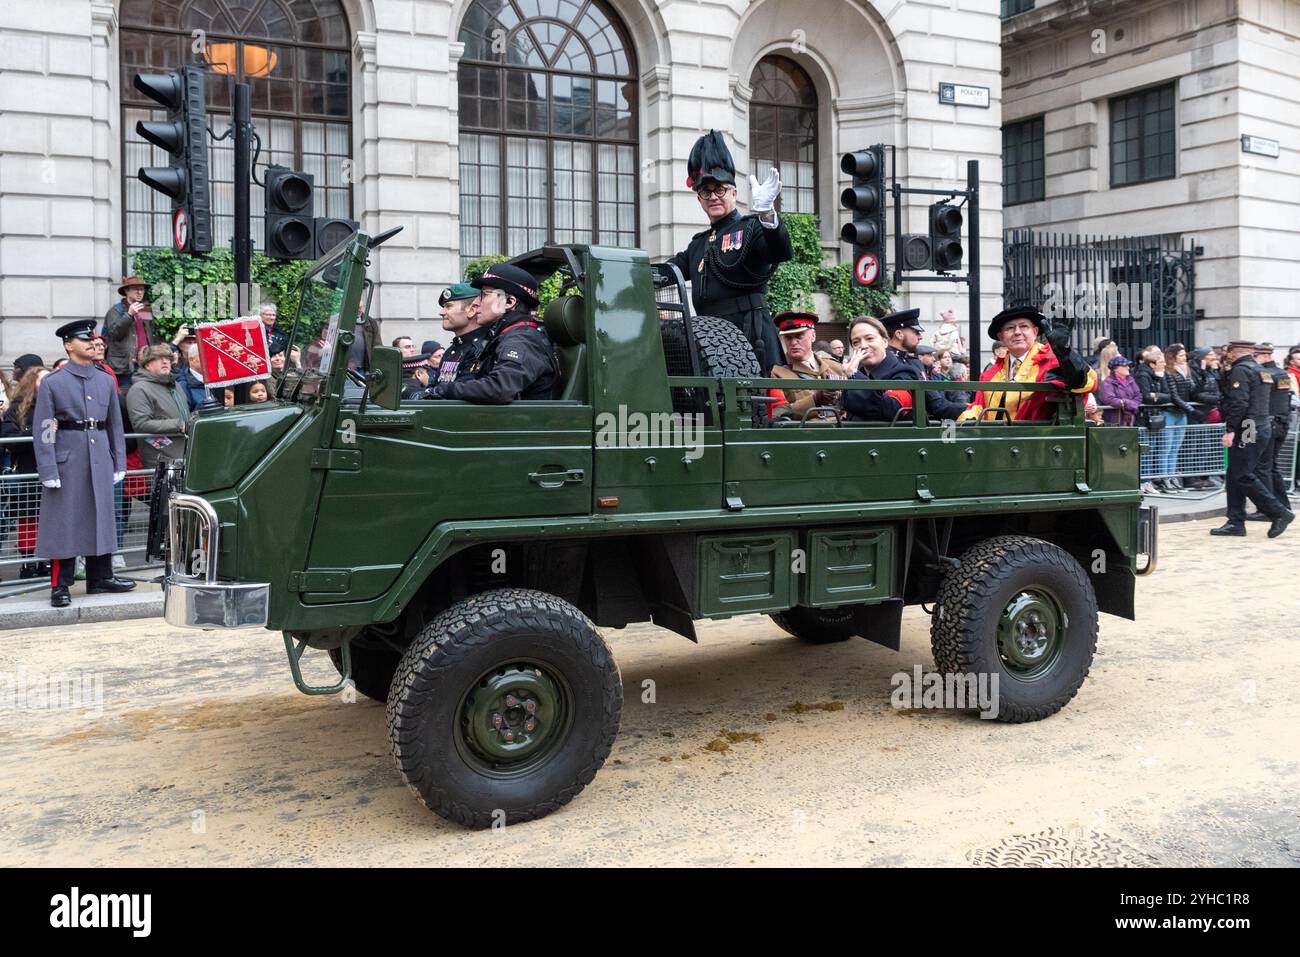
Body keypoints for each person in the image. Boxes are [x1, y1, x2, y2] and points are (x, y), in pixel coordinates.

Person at [667, 130, 791, 373]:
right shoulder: (698, 245)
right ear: (699, 199)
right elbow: (669, 271)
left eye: (720, 189)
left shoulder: (752, 228)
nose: (713, 197)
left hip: (749, 337)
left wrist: (767, 213)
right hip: (707, 339)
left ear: (734, 193)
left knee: (752, 407)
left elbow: (780, 251)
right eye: (705, 192)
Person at [33, 320, 136, 607]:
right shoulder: (54, 382)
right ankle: (60, 584)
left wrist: (119, 460)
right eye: (84, 340)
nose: (92, 343)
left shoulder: (104, 378)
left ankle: (101, 577)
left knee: (102, 516)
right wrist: (48, 467)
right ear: (68, 345)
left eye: (93, 339)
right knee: (64, 520)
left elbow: (115, 424)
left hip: (100, 455)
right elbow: (43, 428)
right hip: (68, 456)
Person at [424, 265, 555, 403]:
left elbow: (499, 389)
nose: (476, 303)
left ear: (509, 302)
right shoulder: (504, 336)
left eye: (484, 295)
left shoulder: (522, 340)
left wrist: (444, 390)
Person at [1211, 340, 1292, 537]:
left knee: (1242, 474)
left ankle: (1278, 511)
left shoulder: (1241, 370)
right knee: (1235, 474)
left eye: (1228, 352)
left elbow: (1239, 402)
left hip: (1248, 426)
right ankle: (1236, 521)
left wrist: (1230, 429)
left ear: (1233, 353)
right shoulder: (1260, 370)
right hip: (1261, 425)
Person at [958, 306, 1096, 423]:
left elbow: (1087, 383)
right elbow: (978, 406)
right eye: (1010, 328)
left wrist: (1065, 354)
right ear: (1001, 337)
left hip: (1040, 444)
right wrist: (966, 422)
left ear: (1035, 332)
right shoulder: (990, 374)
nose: (1017, 332)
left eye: (1024, 326)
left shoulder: (1052, 360)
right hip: (996, 445)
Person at [1, 365, 49, 579]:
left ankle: (46, 561)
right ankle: (28, 564)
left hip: (52, 470)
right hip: (28, 468)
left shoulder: (56, 406)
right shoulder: (18, 408)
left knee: (49, 519)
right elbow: (11, 438)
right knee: (28, 518)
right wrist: (35, 433)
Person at [882, 308, 967, 421]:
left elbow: (936, 402)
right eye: (916, 332)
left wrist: (969, 407)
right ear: (899, 334)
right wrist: (970, 408)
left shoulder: (913, 362)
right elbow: (936, 405)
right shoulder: (885, 362)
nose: (920, 337)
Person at [837, 316, 920, 422]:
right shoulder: (857, 374)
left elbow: (892, 409)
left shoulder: (904, 373)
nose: (863, 345)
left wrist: (854, 375)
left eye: (870, 338)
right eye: (856, 342)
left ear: (885, 342)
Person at [767, 311, 843, 421]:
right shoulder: (776, 372)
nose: (793, 342)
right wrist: (814, 400)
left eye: (799, 336)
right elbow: (776, 414)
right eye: (788, 337)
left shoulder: (834, 366)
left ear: (813, 336)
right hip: (806, 433)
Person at [1247, 343, 1295, 518]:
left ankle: (1267, 510)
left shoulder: (1265, 373)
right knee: (1272, 467)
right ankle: (1282, 505)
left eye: (1255, 355)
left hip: (1269, 423)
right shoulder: (1281, 373)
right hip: (1281, 423)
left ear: (1265, 356)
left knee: (1263, 468)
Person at [125, 344, 190, 471]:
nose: (165, 361)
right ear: (147, 364)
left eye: (168, 358)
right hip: (161, 462)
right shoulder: (139, 389)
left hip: (184, 455)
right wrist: (179, 425)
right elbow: (141, 424)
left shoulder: (175, 385)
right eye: (158, 358)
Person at [102, 276, 157, 384]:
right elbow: (114, 334)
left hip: (144, 365)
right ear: (126, 291)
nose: (139, 292)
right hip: (124, 368)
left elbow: (150, 336)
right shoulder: (116, 311)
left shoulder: (145, 309)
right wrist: (129, 315)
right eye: (136, 289)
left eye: (141, 289)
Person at [1162, 343, 1196, 489]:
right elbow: (1174, 396)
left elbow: (1192, 389)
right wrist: (1191, 410)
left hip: (1182, 413)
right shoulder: (1168, 372)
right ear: (1173, 357)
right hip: (1170, 413)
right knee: (1166, 448)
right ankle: (1164, 478)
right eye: (1181, 355)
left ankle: (1172, 477)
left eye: (1184, 355)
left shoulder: (1186, 370)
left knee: (1176, 448)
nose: (1184, 357)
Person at [1098, 355, 1141, 425]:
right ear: (1115, 369)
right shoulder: (1108, 382)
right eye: (1125, 366)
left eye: (1128, 365)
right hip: (1114, 421)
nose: (1128, 368)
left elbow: (1138, 396)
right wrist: (1129, 403)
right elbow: (1109, 399)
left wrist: (1125, 402)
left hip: (1131, 420)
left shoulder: (1131, 380)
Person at [176, 343, 209, 409]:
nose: (209, 360)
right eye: (204, 357)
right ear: (191, 360)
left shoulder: (217, 379)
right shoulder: (183, 385)